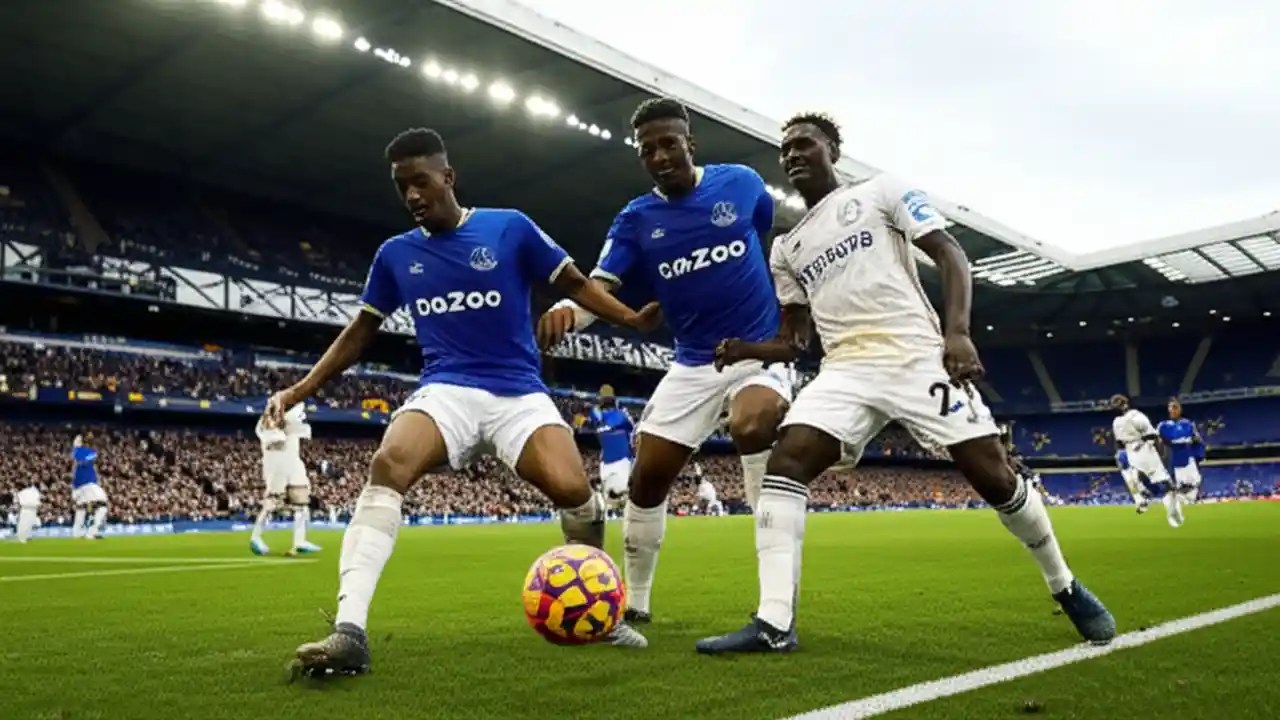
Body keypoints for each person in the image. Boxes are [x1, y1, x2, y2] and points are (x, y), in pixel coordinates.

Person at [696, 112, 1116, 654]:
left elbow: (950, 253)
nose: (793, 155)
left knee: (992, 474)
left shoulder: (882, 191)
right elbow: (795, 340)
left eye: (805, 145)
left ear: (834, 150)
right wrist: (748, 349)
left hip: (912, 353)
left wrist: (957, 333)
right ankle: (775, 623)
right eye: (786, 150)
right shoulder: (787, 247)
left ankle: (1065, 584)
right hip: (845, 368)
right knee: (788, 462)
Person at [277, 128, 659, 677]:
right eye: (402, 187)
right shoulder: (395, 255)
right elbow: (358, 334)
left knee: (575, 490)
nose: (411, 195)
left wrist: (628, 319)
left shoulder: (508, 227)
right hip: (447, 388)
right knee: (388, 464)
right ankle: (349, 631)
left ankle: (602, 610)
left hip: (519, 392)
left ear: (448, 178)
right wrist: (298, 390)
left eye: (421, 182)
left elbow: (574, 282)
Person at [537, 98, 793, 641]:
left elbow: (764, 236)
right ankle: (635, 604)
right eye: (647, 149)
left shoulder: (741, 184)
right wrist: (570, 313)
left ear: (689, 144)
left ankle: (775, 600)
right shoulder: (636, 219)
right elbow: (600, 287)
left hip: (753, 351)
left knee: (753, 424)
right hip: (692, 362)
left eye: (668, 144)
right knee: (645, 479)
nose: (659, 156)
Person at [251, 403, 321, 556]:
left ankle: (299, 541)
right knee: (272, 504)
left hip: (292, 465)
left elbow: (299, 426)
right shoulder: (268, 429)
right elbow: (276, 439)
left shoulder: (289, 430)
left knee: (301, 505)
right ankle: (256, 537)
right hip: (277, 468)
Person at [1111, 394, 1182, 527]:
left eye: (1118, 404)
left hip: (1145, 449)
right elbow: (1119, 442)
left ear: (1125, 405)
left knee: (1163, 483)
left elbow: (1152, 435)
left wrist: (1160, 455)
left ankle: (1173, 512)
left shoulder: (1136, 416)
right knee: (1124, 464)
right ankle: (1141, 498)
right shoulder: (1117, 422)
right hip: (1130, 450)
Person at [588, 385, 635, 507]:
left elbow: (634, 430)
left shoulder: (621, 416)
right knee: (609, 497)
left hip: (622, 459)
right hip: (607, 461)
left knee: (618, 491)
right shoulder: (597, 415)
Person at [1157, 398, 1204, 503]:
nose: (1172, 410)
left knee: (1193, 485)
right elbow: (1157, 442)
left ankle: (1191, 502)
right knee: (1183, 489)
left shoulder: (1188, 424)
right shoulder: (1163, 426)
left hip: (1189, 459)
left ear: (1180, 409)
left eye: (1175, 407)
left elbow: (1197, 440)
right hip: (1174, 461)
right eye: (1170, 408)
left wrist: (1199, 452)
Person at [71, 433, 109, 540]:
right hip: (87, 483)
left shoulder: (77, 451)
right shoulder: (88, 452)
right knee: (102, 505)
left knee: (81, 507)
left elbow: (79, 458)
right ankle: (92, 532)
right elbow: (88, 459)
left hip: (77, 485)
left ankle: (77, 532)